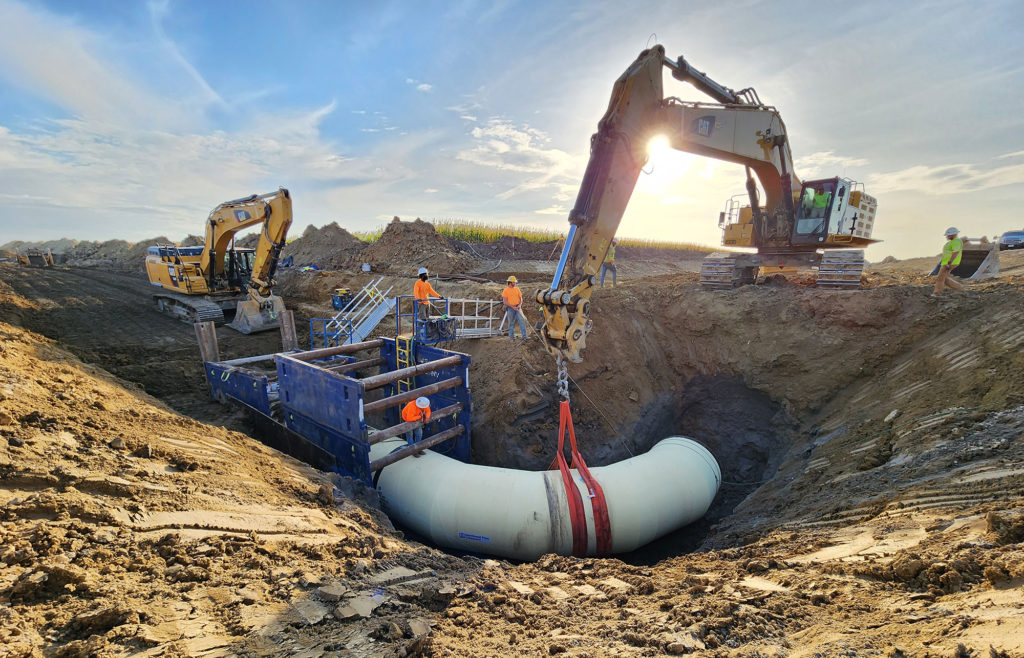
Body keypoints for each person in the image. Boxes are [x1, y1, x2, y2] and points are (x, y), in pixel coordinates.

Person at [932, 226, 965, 297]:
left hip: (949, 263)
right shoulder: (952, 242)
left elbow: (955, 252)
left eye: (948, 235)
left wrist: (949, 262)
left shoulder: (956, 241)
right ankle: (961, 288)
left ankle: (936, 293)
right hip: (946, 263)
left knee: (940, 278)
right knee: (945, 279)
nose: (946, 237)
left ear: (952, 234)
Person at [501, 275, 528, 339]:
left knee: (522, 321)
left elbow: (521, 298)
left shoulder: (517, 289)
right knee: (511, 323)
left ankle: (524, 336)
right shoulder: (506, 290)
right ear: (510, 282)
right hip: (510, 308)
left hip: (518, 307)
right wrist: (513, 307)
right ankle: (511, 337)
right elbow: (505, 302)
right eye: (514, 282)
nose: (515, 283)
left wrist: (519, 305)